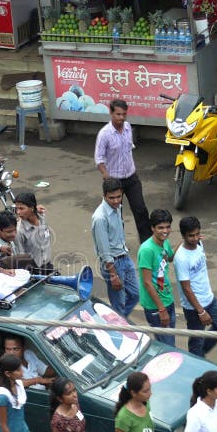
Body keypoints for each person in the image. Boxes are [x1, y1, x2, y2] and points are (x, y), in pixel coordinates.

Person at [94, 99, 151, 243]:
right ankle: (117, 245)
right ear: (111, 113)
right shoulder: (104, 134)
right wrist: (107, 178)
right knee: (115, 215)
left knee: (140, 210)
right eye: (118, 114)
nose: (121, 118)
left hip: (131, 177)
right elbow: (99, 159)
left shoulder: (127, 127)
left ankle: (147, 244)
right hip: (114, 181)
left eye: (124, 114)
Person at [174, 217, 217, 357]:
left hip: (209, 298)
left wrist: (196, 239)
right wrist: (201, 311)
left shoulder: (199, 244)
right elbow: (186, 288)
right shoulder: (181, 258)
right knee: (196, 341)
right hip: (194, 307)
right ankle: (197, 361)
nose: (195, 238)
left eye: (197, 234)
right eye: (190, 236)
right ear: (183, 236)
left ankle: (199, 356)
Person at [91, 177, 139, 319]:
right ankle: (119, 325)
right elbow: (104, 250)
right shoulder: (100, 218)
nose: (116, 201)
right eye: (112, 198)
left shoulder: (118, 207)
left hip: (124, 257)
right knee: (118, 304)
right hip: (112, 265)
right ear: (104, 195)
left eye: (119, 196)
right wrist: (113, 274)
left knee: (135, 294)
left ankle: (120, 321)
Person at [137, 209, 176, 346]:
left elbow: (169, 257)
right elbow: (147, 283)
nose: (165, 231)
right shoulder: (147, 250)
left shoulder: (165, 242)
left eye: (167, 227)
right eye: (160, 227)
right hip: (156, 307)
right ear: (152, 228)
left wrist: (186, 242)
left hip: (167, 299)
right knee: (168, 347)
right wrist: (161, 309)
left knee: (169, 343)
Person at [14, 192, 55, 276]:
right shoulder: (19, 231)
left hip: (48, 265)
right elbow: (21, 258)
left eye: (21, 208)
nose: (18, 212)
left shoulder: (42, 217)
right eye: (16, 209)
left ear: (32, 208)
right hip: (34, 272)